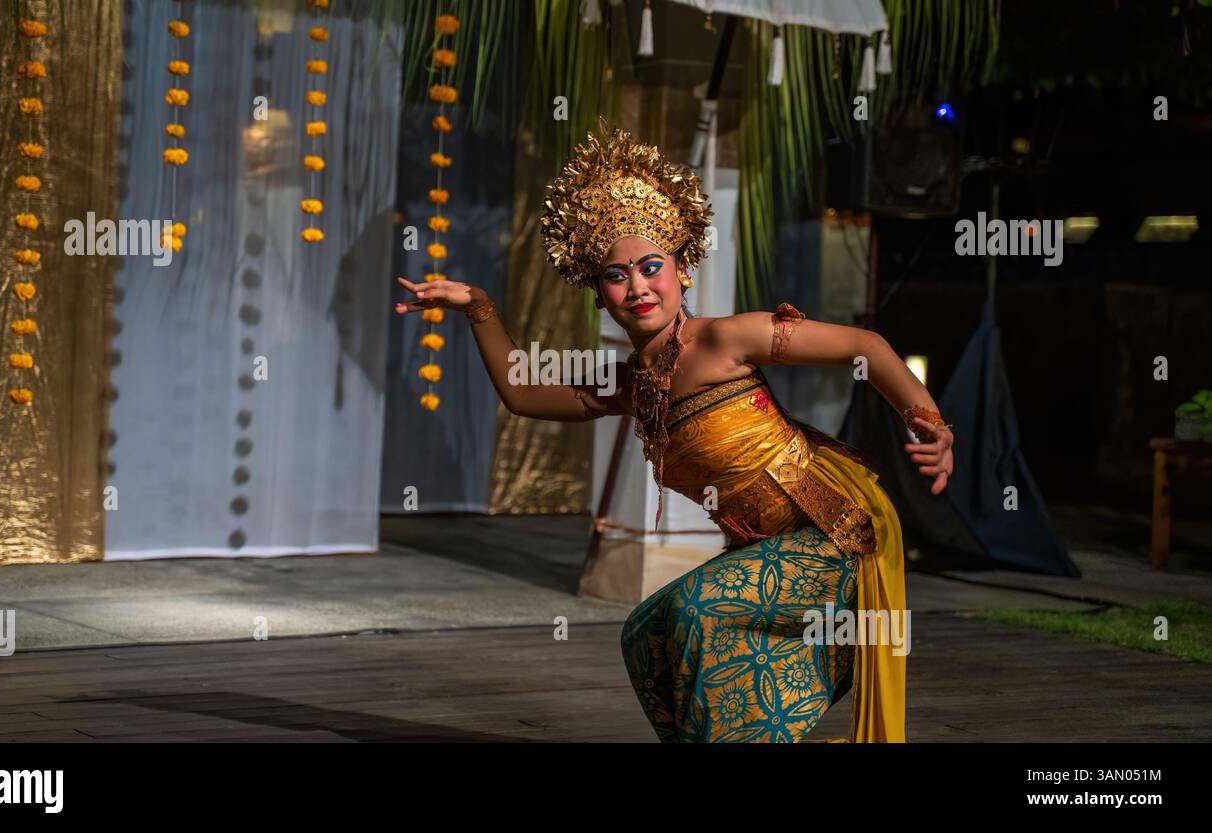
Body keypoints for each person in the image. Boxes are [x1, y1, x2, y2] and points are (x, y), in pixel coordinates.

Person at [394, 120, 954, 743]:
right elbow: (523, 392)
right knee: (645, 634)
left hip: (837, 531)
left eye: (650, 266)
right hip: (770, 551)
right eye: (616, 275)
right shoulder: (634, 385)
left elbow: (867, 347)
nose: (637, 287)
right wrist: (477, 307)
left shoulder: (723, 340)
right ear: (598, 295)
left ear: (682, 270)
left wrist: (927, 419)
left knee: (694, 611)